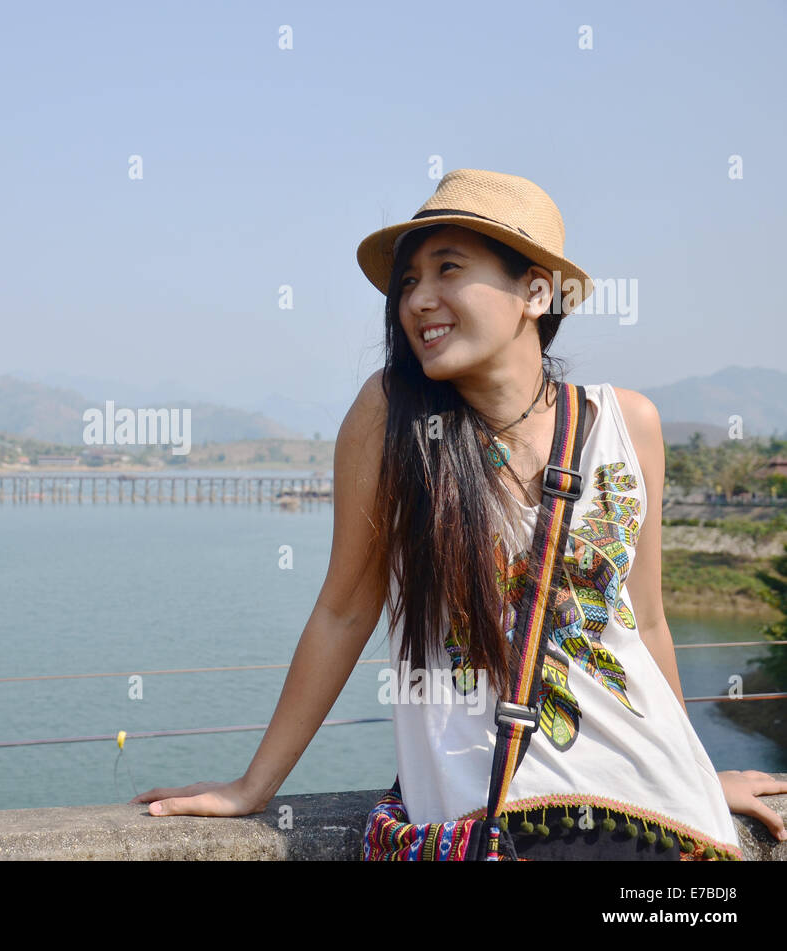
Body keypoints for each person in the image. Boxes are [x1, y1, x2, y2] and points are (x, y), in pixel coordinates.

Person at [130, 168, 787, 860]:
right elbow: (344, 611)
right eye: (409, 280)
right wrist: (253, 786)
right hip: (496, 826)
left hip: (662, 819)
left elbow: (645, 623)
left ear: (536, 291)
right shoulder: (392, 415)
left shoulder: (628, 424)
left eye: (448, 269)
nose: (418, 299)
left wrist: (700, 773)